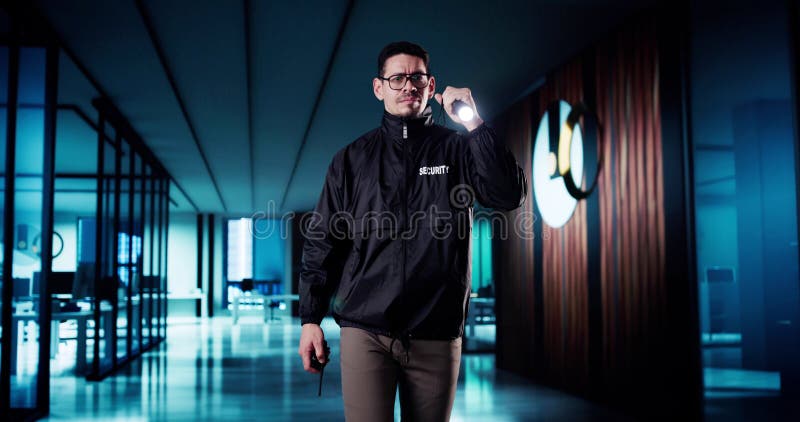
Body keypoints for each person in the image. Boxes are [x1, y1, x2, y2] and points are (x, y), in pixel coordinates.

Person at [298, 41, 527, 421]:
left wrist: (473, 123)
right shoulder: (351, 160)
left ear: (431, 85)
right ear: (379, 87)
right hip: (365, 329)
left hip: (436, 330)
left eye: (417, 78)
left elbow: (508, 194)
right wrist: (310, 319)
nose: (408, 86)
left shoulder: (458, 150)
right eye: (398, 78)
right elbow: (322, 242)